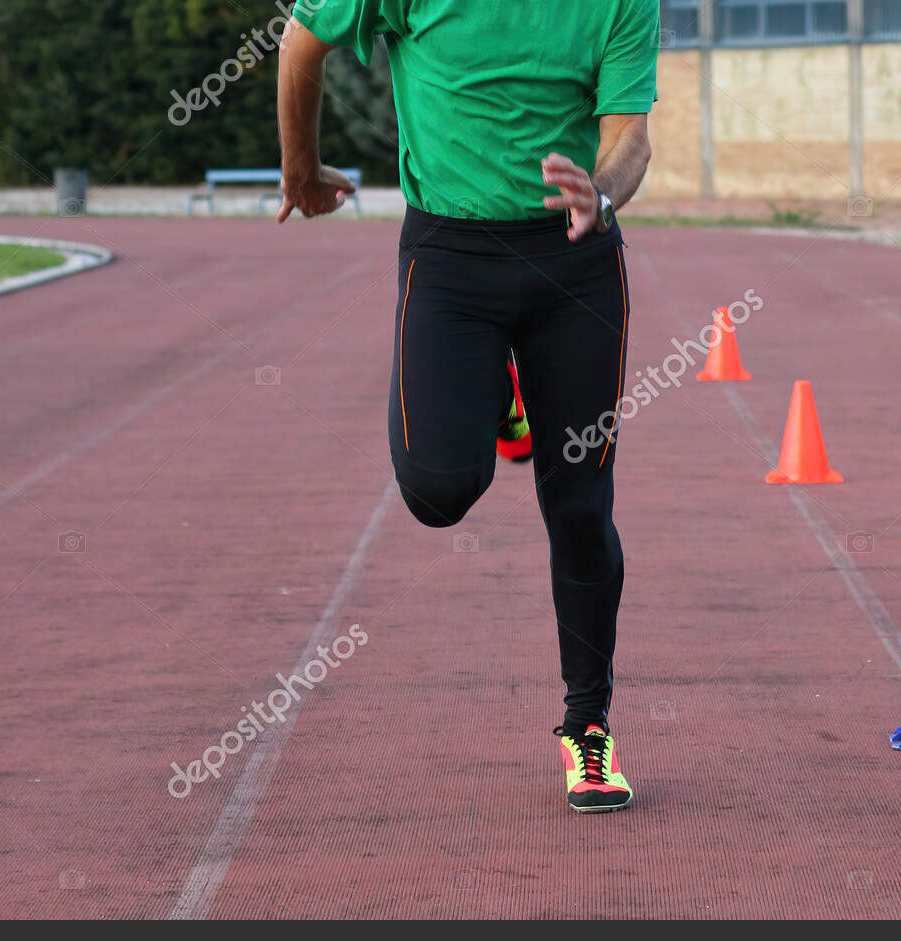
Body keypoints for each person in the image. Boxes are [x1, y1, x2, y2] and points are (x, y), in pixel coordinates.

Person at [276, 0, 657, 813]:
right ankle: (496, 392)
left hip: (576, 260)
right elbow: (301, 44)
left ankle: (588, 730)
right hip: (449, 259)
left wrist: (605, 192)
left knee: (581, 505)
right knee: (439, 490)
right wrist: (300, 171)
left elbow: (630, 135)